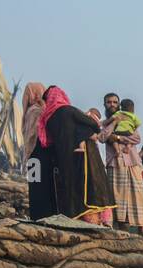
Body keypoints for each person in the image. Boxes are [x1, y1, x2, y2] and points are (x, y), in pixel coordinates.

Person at [36, 87, 115, 222]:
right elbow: (93, 124)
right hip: (81, 157)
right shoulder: (68, 110)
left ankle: (77, 220)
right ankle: (94, 222)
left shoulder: (47, 119)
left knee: (72, 190)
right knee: (88, 188)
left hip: (63, 160)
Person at [97, 92, 143, 233]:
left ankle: (139, 229)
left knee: (136, 196)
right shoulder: (112, 120)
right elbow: (102, 137)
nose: (112, 105)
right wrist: (113, 128)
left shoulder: (128, 119)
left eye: (114, 102)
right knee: (117, 196)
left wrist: (116, 137)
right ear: (105, 105)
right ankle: (119, 227)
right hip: (115, 163)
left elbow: (136, 138)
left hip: (132, 162)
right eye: (109, 102)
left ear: (119, 105)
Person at [20, 82, 56, 220]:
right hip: (44, 155)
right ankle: (46, 215)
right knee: (43, 185)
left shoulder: (34, 111)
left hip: (35, 155)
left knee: (36, 185)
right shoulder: (45, 109)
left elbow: (32, 135)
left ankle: (38, 216)